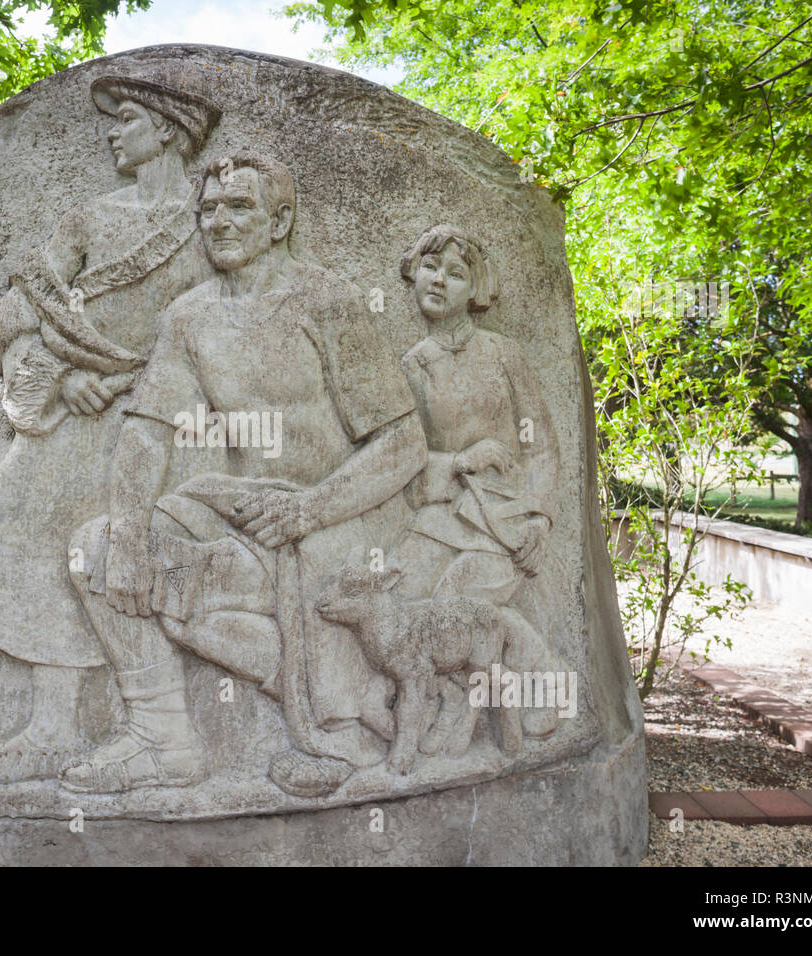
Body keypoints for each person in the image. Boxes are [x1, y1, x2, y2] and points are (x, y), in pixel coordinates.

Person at [63, 150, 428, 797]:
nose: (219, 222)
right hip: (242, 514)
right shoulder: (189, 317)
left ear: (280, 219)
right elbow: (147, 433)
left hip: (339, 519)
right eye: (208, 210)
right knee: (98, 550)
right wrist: (126, 538)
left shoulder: (330, 301)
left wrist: (310, 510)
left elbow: (404, 444)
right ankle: (161, 740)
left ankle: (345, 715)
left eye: (239, 207)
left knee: (211, 603)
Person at [0, 75, 221, 784]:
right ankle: (51, 731)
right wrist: (59, 373)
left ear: (168, 129)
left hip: (167, 424)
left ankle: (160, 734)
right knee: (29, 554)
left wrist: (149, 384)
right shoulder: (87, 220)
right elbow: (15, 316)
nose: (111, 132)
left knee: (123, 567)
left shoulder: (213, 220)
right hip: (73, 420)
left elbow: (223, 325)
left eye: (128, 119)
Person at [389, 223, 564, 753]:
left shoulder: (503, 355)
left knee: (456, 603)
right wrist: (459, 461)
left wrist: (539, 515)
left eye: (456, 273)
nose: (438, 280)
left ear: (476, 289)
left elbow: (543, 447)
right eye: (429, 267)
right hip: (440, 519)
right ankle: (456, 700)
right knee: (400, 607)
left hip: (504, 524)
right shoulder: (410, 366)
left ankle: (497, 702)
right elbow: (405, 463)